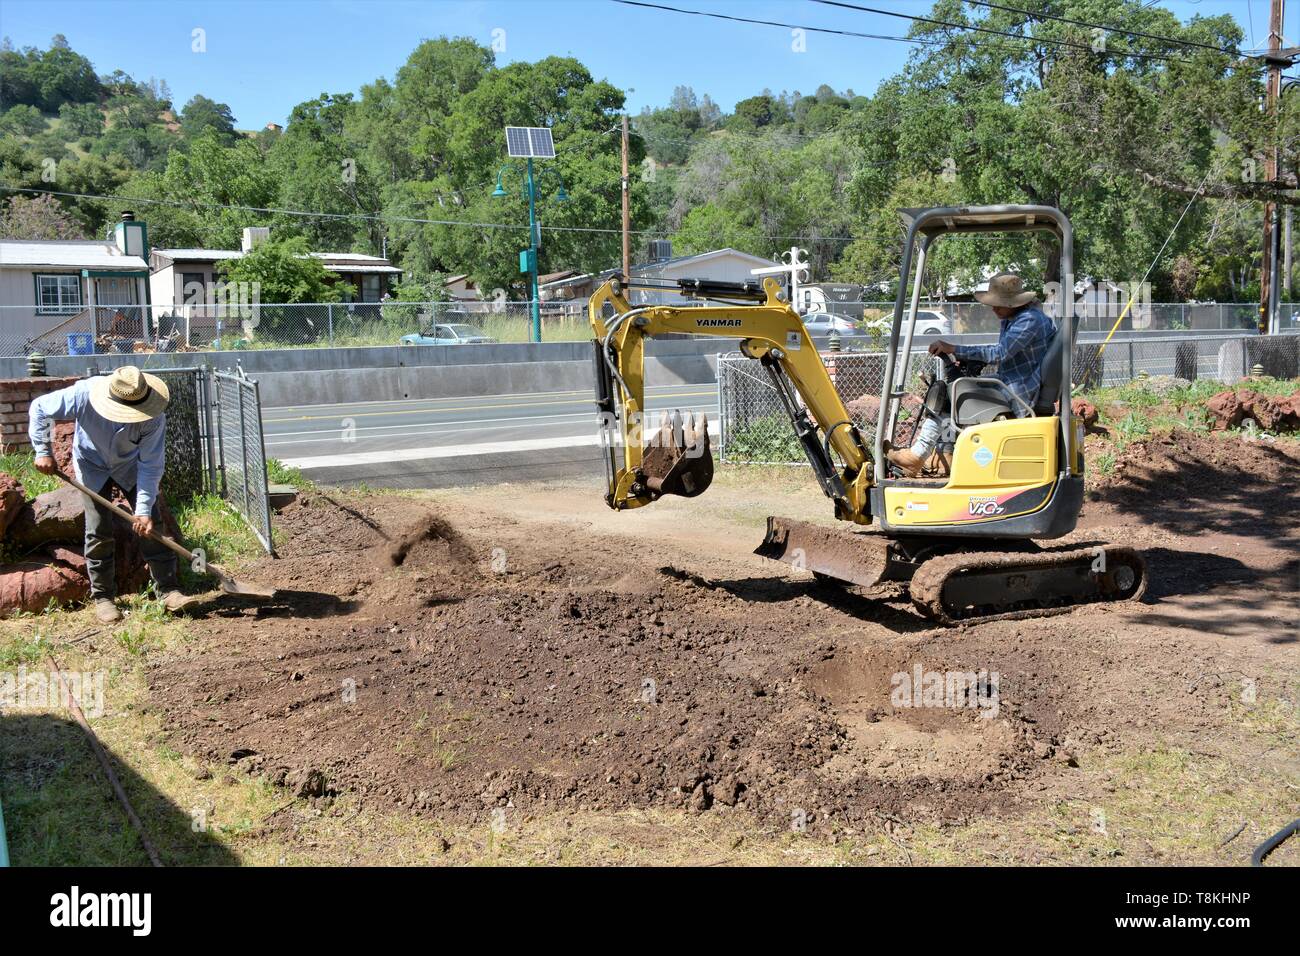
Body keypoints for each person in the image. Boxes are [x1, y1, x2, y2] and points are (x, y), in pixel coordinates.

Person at [28, 366, 186, 623]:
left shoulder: (153, 416)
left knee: (153, 523)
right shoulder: (83, 395)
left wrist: (143, 510)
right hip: (92, 463)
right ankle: (103, 597)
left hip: (131, 466)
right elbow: (39, 408)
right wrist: (42, 450)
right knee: (99, 528)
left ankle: (169, 590)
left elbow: (151, 465)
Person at [887, 272, 1056, 477]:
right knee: (953, 389)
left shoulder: (1028, 320)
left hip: (1018, 390)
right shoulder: (1016, 317)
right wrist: (964, 356)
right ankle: (944, 456)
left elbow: (1001, 352)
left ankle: (917, 455)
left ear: (1013, 303)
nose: (993, 308)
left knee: (947, 393)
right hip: (1010, 381)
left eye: (998, 304)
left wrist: (954, 349)